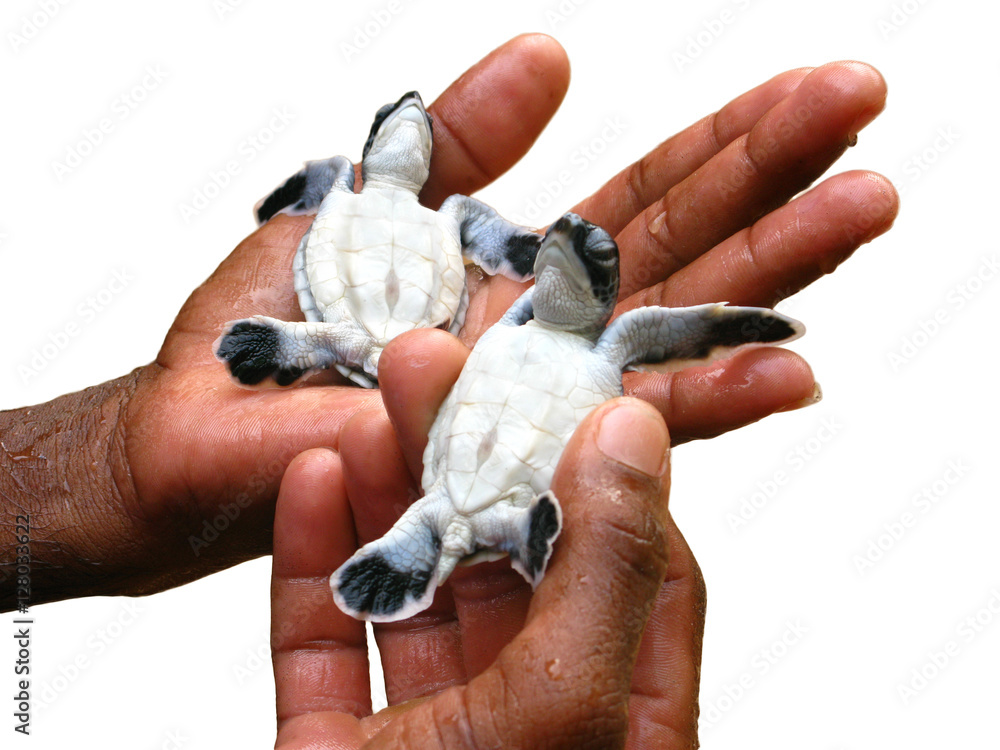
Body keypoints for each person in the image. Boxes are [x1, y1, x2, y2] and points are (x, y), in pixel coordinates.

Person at [0, 31, 896, 636]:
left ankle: (464, 524)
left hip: (458, 402)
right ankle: (438, 482)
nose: (410, 132)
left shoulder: (562, 326)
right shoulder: (467, 282)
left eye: (571, 264)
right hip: (426, 363)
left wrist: (737, 324)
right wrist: (114, 464)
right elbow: (494, 280)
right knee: (419, 376)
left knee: (435, 407)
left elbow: (622, 312)